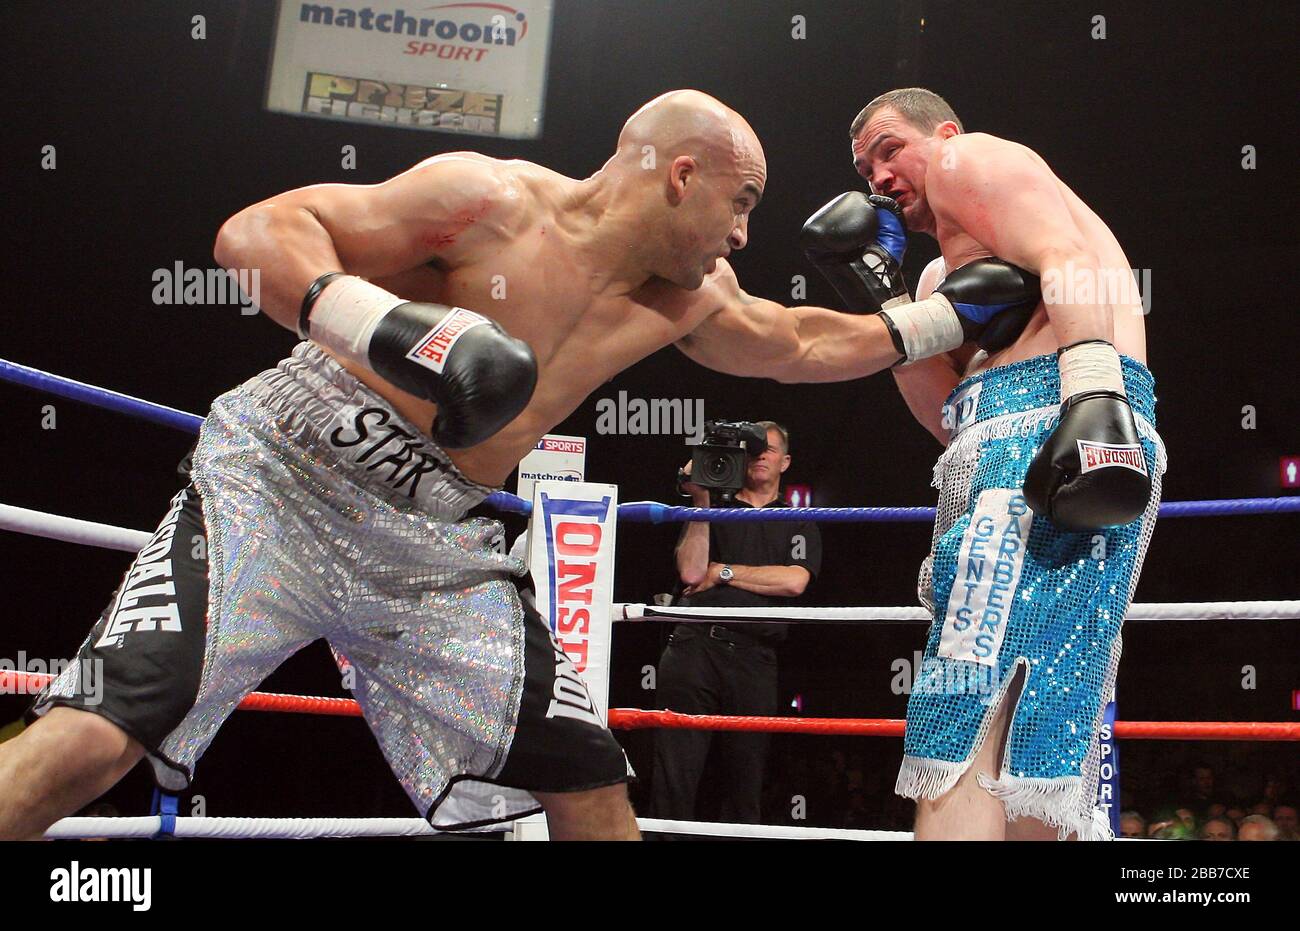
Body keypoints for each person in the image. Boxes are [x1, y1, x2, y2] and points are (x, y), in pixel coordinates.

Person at [0, 90, 1034, 841]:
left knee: (590, 787)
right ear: (684, 173)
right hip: (282, 475)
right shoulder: (489, 199)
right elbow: (258, 232)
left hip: (428, 542)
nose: (742, 232)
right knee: (97, 737)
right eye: (740, 200)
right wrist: (390, 327)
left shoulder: (688, 300)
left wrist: (945, 312)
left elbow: (804, 343)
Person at [846, 88, 1167, 840]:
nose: (877, 177)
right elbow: (947, 414)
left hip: (1062, 420)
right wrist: (884, 297)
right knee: (1041, 708)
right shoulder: (937, 280)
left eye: (890, 148)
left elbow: (1072, 261)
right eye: (865, 168)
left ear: (944, 133)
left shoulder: (970, 156)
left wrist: (1091, 398)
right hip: (1005, 446)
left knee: (964, 700)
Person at [651, 422, 820, 823]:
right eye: (753, 448)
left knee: (746, 782)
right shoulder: (713, 508)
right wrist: (701, 499)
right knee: (675, 777)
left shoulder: (799, 522)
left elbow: (794, 581)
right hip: (695, 648)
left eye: (770, 449)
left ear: (785, 461)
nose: (761, 454)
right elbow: (692, 573)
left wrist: (724, 571)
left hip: (754, 658)